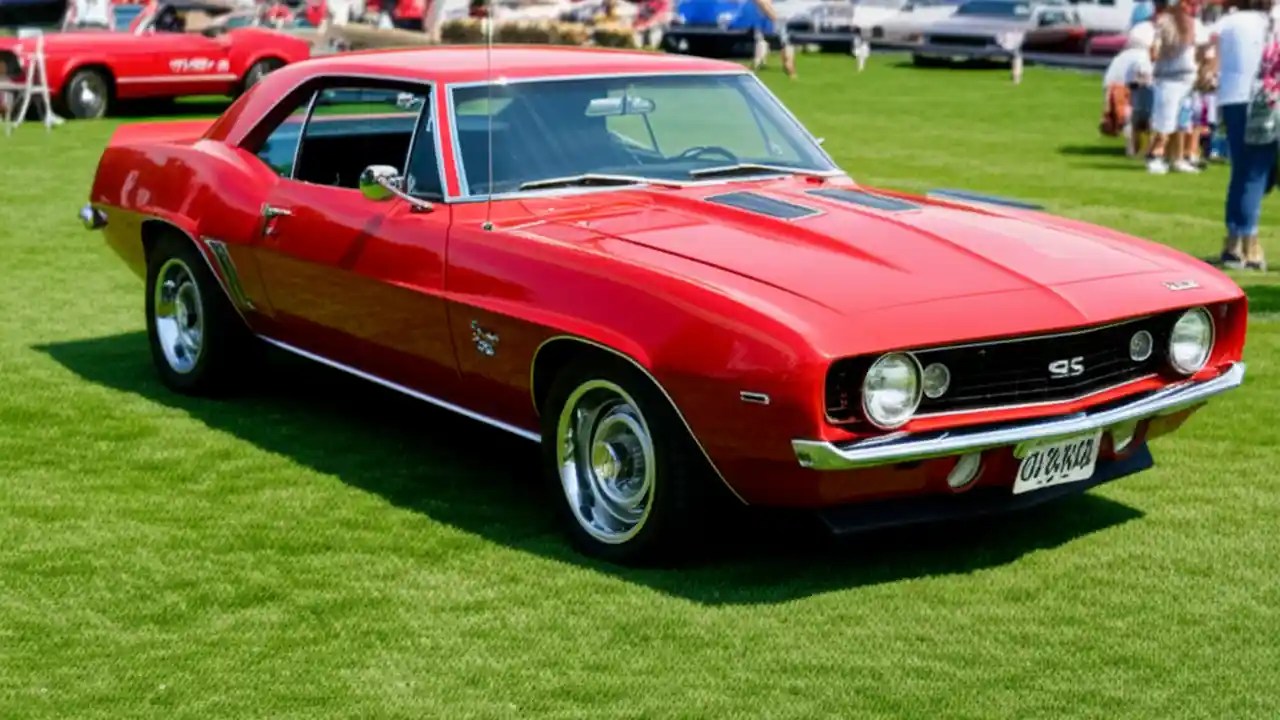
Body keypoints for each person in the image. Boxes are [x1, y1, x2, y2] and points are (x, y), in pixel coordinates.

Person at [1215, 0, 1274, 270]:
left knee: (1242, 171)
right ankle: (1247, 242)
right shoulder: (1270, 19)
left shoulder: (1229, 21)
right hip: (1265, 100)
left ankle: (1234, 241)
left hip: (1232, 98)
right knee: (1255, 173)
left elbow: (1208, 48)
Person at [1148, 0, 1208, 174]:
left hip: (1188, 79)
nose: (1192, 7)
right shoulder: (1166, 22)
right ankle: (1155, 155)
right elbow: (1155, 51)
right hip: (1168, 78)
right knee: (1165, 120)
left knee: (1183, 122)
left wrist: (1203, 68)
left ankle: (1178, 158)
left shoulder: (1195, 24)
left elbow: (1203, 48)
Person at [1102, 29, 1156, 155]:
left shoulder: (1120, 56)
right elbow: (1144, 74)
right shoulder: (1143, 55)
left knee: (1129, 121)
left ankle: (1132, 149)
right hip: (1131, 90)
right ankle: (1145, 150)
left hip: (1112, 89)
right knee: (1145, 120)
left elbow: (1108, 79)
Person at [751, 0, 796, 79]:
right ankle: (790, 69)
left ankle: (756, 64)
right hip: (775, 16)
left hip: (769, 16)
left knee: (762, 41)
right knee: (785, 44)